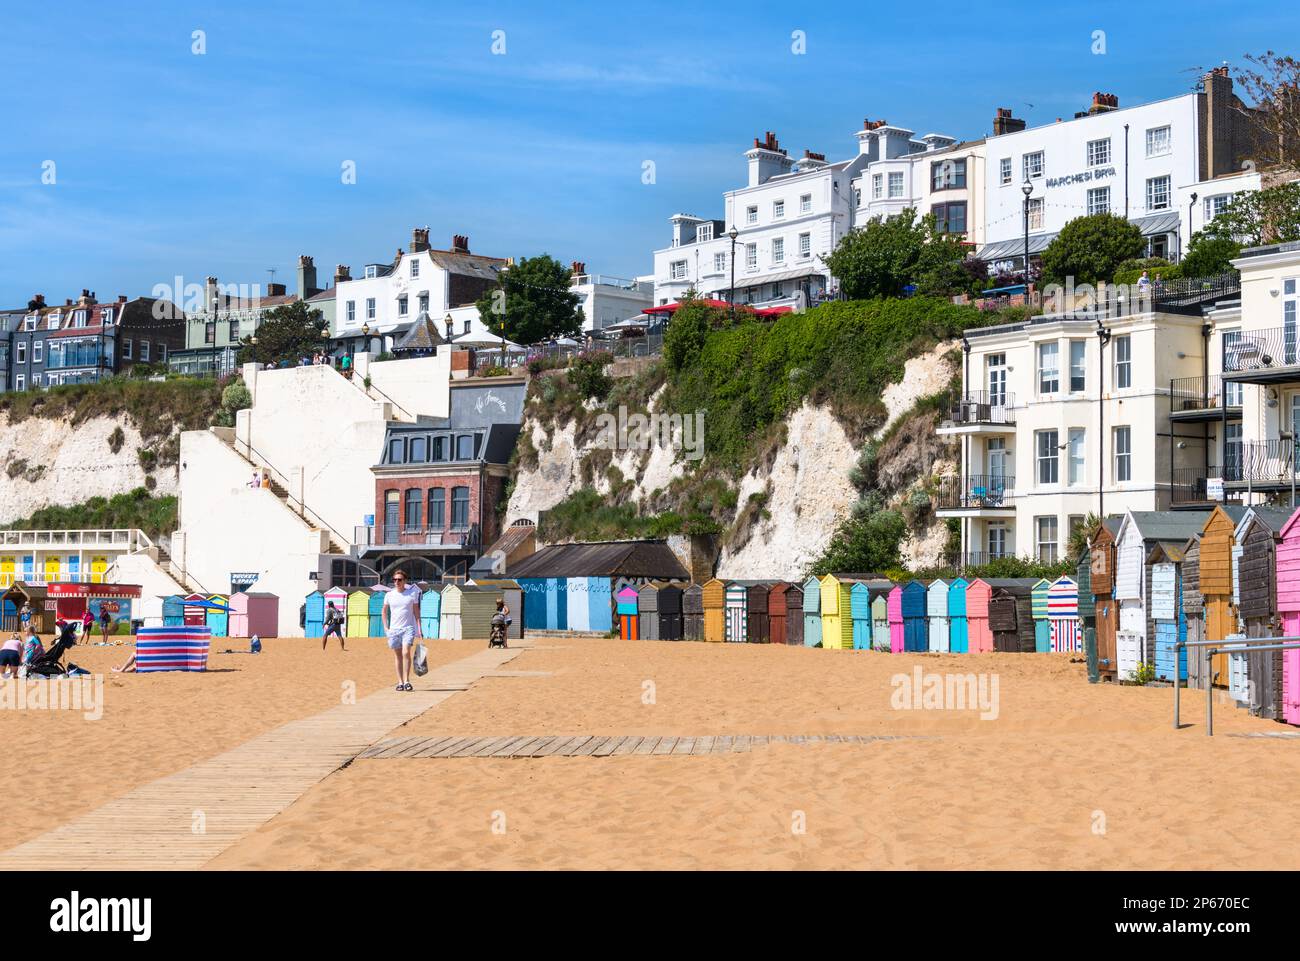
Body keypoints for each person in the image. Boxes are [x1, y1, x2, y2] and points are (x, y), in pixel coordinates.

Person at [381, 569, 422, 692]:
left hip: (408, 628)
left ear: (405, 581)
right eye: (395, 580)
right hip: (394, 630)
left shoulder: (412, 594)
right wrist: (385, 627)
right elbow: (384, 611)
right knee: (398, 656)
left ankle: (407, 681)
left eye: (399, 579)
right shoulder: (389, 595)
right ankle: (400, 682)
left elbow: (416, 612)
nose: (397, 582)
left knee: (406, 652)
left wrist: (419, 629)